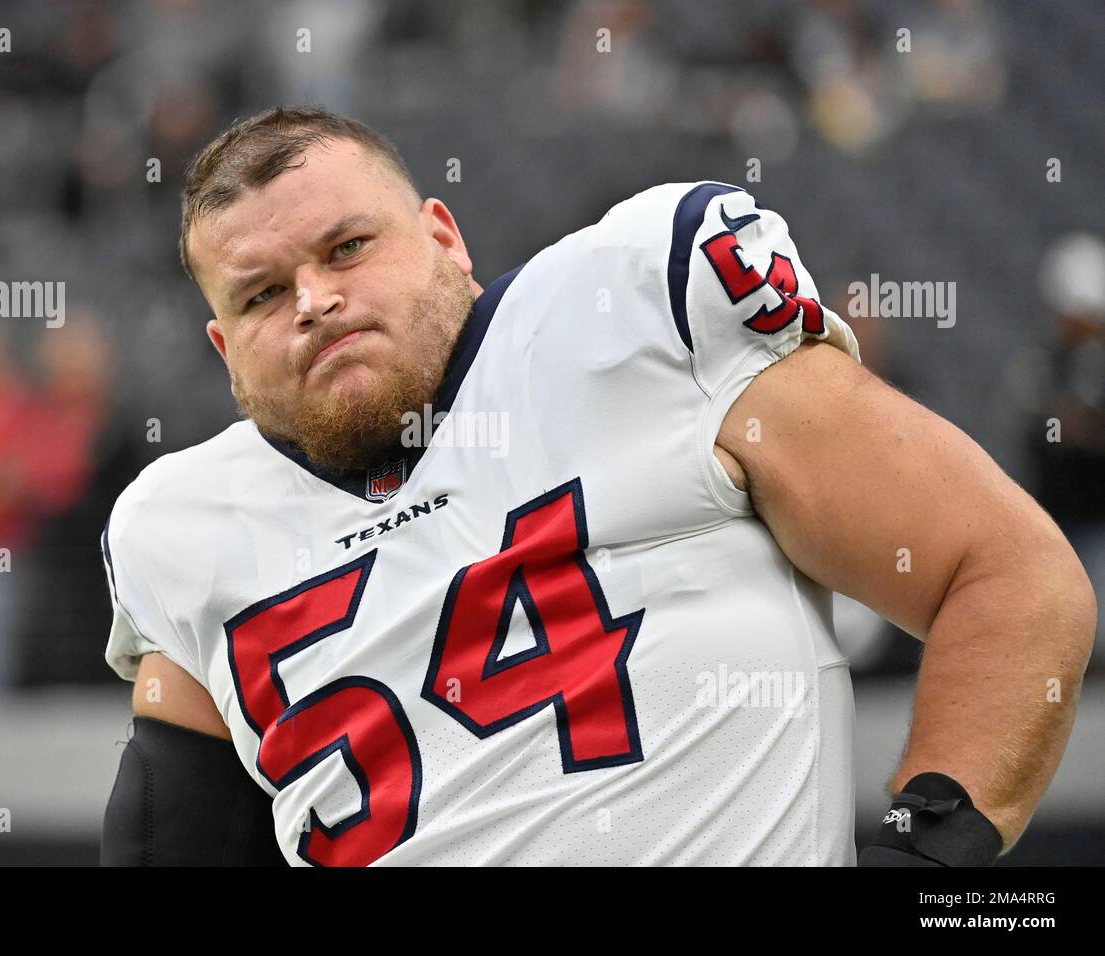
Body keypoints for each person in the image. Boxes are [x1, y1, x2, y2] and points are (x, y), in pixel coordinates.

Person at [98, 105, 1095, 867]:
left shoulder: (631, 309)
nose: (315, 301)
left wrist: (923, 855)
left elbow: (1002, 573)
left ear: (444, 238)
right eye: (263, 294)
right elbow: (175, 827)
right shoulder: (179, 526)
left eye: (347, 248)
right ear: (226, 350)